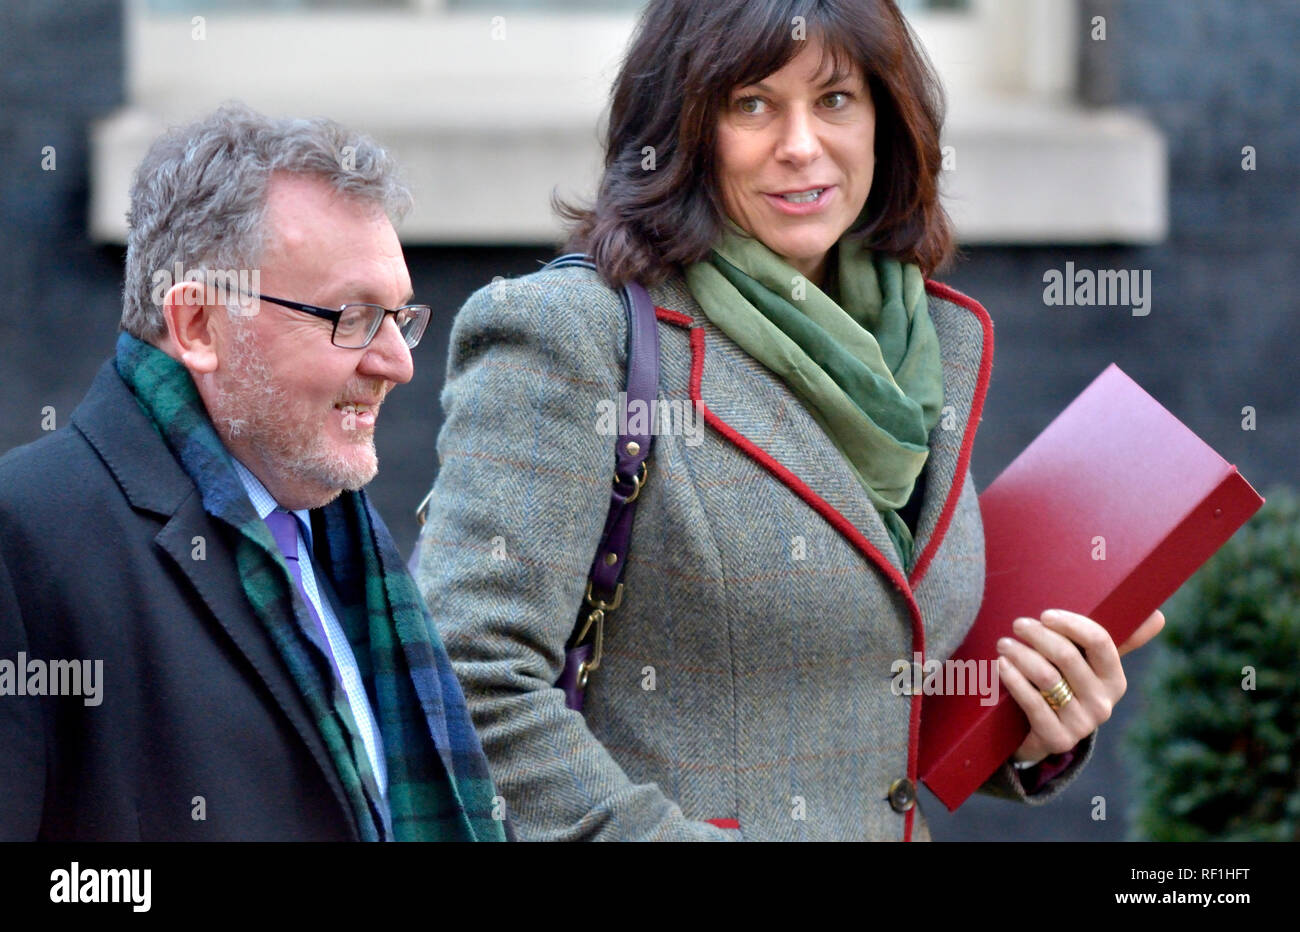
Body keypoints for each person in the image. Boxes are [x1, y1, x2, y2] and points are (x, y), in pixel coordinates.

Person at [412, 0, 1164, 841]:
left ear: (887, 118)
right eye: (753, 104)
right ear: (684, 126)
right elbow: (467, 677)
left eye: (835, 100)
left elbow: (870, 696)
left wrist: (1030, 731)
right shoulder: (573, 335)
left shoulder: (911, 350)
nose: (802, 145)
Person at [0, 104, 506, 842]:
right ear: (199, 325)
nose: (397, 363)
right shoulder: (27, 534)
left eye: (401, 317)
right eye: (353, 317)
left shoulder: (339, 539)